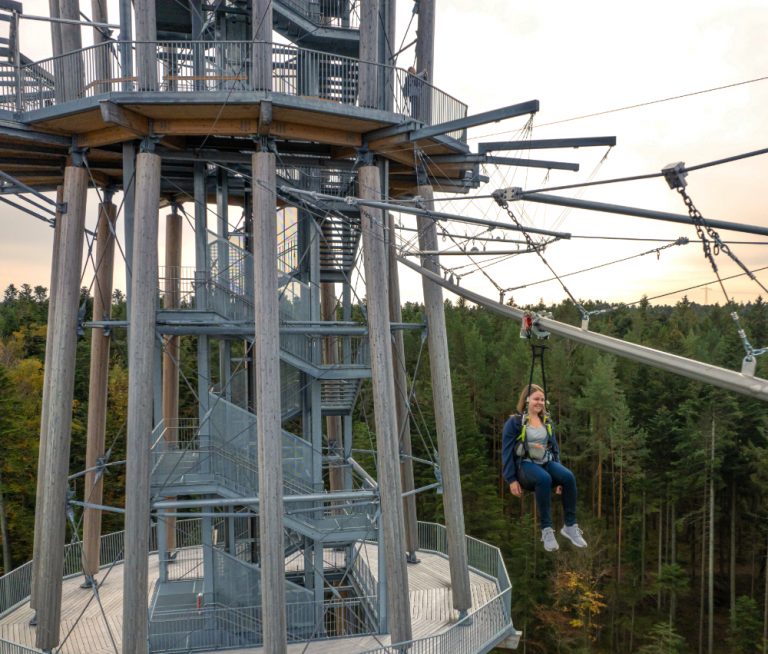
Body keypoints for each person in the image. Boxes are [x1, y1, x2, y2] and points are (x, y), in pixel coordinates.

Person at [502, 383, 587, 552]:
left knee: (568, 476)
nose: (540, 402)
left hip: (545, 462)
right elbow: (506, 451)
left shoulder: (546, 421)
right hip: (525, 465)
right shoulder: (515, 422)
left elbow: (554, 448)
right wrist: (511, 479)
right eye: (536, 399)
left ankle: (570, 526)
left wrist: (560, 476)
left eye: (542, 400)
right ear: (527, 400)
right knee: (544, 479)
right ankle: (547, 530)